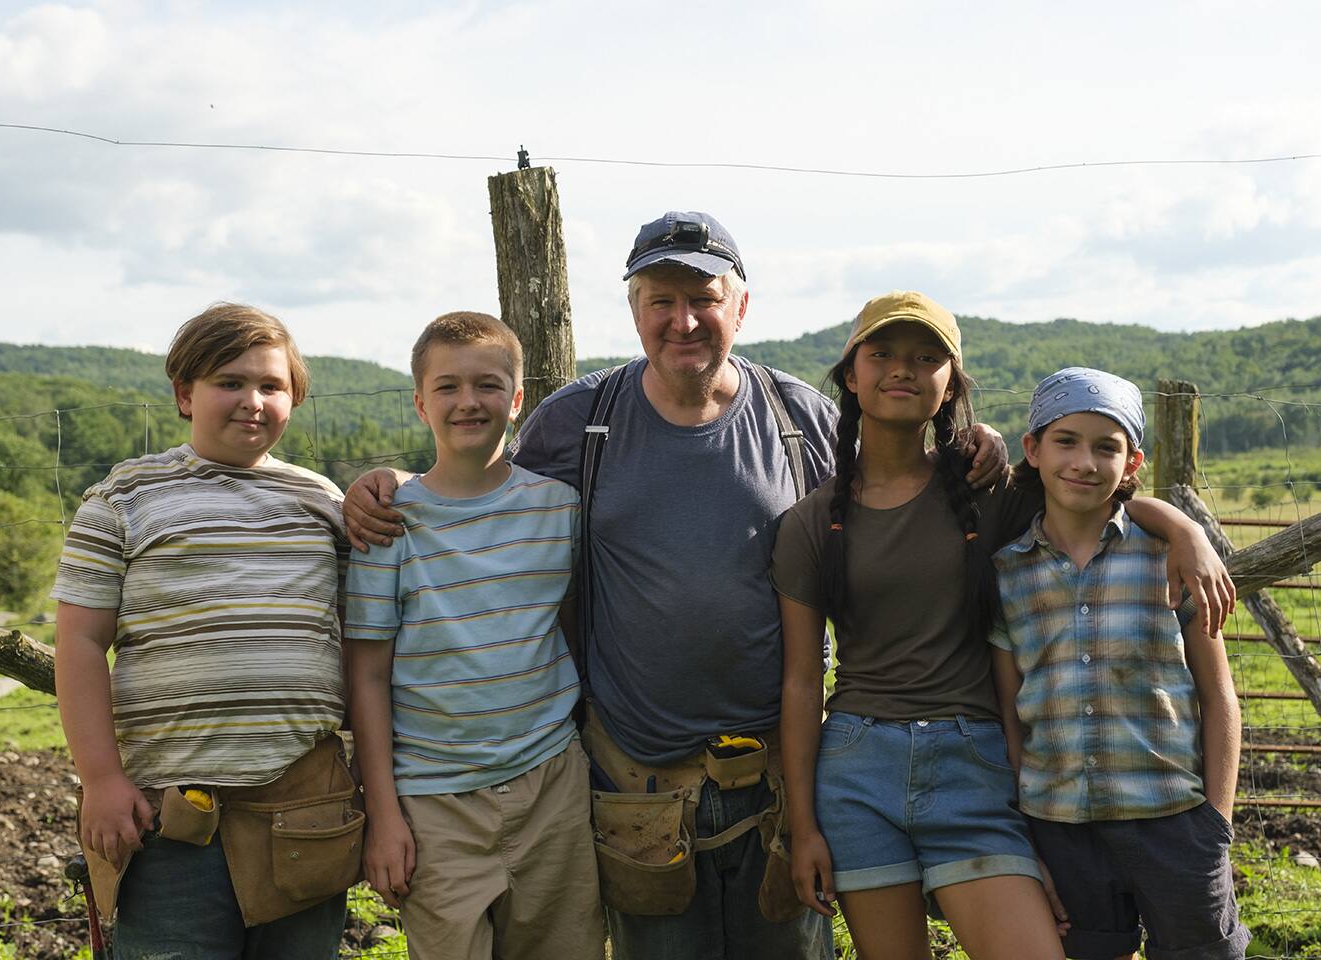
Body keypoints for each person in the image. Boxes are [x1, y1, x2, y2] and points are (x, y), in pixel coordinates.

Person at [344, 212, 1015, 959]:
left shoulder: (804, 420)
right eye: (661, 299)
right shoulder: (578, 423)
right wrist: (391, 484)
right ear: (634, 309)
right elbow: (482, 489)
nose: (683, 320)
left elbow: (898, 484)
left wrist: (972, 443)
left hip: (777, 785)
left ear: (742, 308)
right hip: (636, 789)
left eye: (704, 298)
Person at [772, 294, 1236, 960]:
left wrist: (1183, 527)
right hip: (856, 771)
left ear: (950, 384)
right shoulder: (812, 524)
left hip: (974, 769)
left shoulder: (991, 493)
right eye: (882, 355)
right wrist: (804, 823)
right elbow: (799, 680)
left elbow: (1090, 486)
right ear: (851, 373)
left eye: (926, 358)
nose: (903, 370)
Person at [52, 303, 358, 960]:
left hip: (305, 809)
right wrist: (102, 779)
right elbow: (78, 642)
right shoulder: (125, 498)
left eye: (272, 386)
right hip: (171, 817)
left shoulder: (322, 502)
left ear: (294, 398)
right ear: (185, 394)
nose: (253, 400)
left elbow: (356, 633)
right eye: (230, 381)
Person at [343, 311, 604, 959]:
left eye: (488, 385)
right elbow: (367, 676)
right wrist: (385, 817)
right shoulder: (388, 523)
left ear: (516, 400)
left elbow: (568, 625)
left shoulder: (559, 508)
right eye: (448, 387)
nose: (468, 402)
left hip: (552, 787)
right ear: (419, 402)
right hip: (434, 803)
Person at [990, 368, 1249, 960]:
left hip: (1174, 821)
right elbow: (1009, 714)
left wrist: (1216, 823)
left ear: (1132, 463)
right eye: (1066, 441)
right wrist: (1022, 824)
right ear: (1031, 450)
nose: (1084, 461)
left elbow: (1220, 696)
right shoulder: (1008, 574)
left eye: (1106, 447)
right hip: (1060, 827)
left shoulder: (1168, 559)